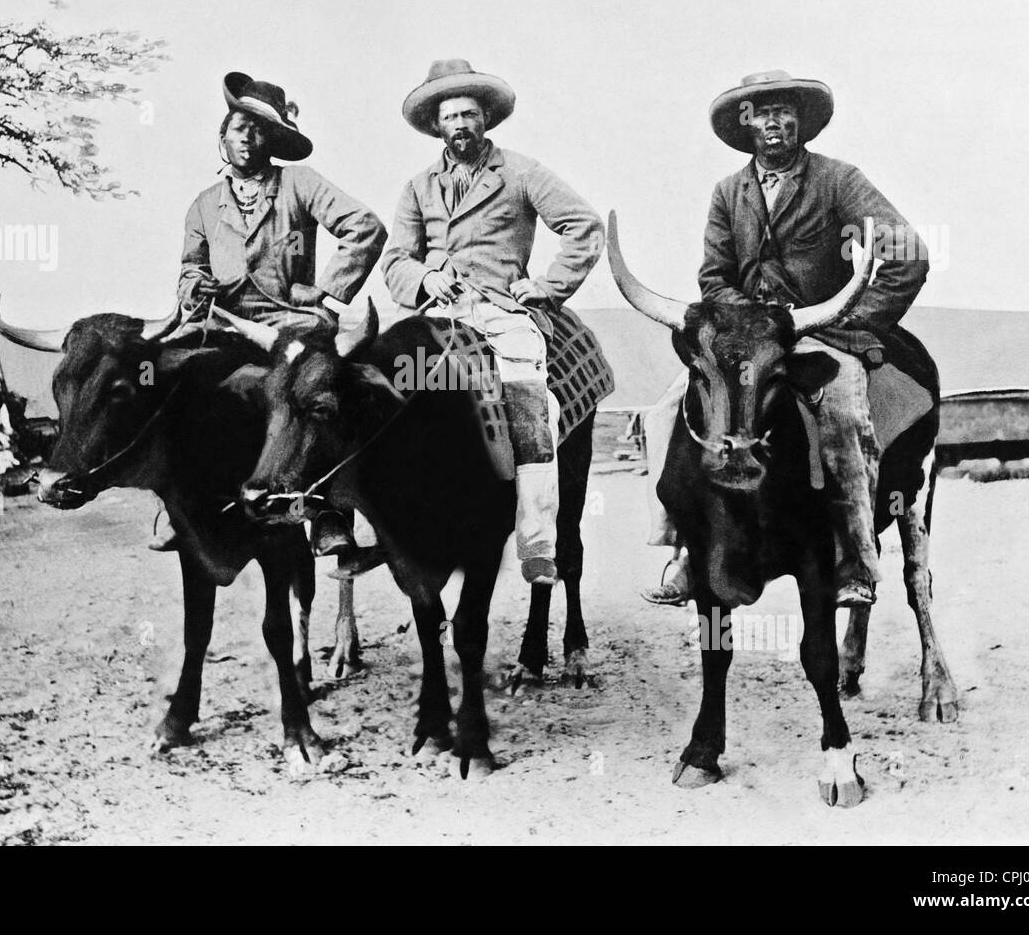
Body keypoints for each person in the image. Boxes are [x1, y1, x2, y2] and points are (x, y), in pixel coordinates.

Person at [643, 69, 929, 609]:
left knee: (844, 418)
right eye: (762, 113)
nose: (774, 122)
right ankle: (683, 546)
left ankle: (854, 560)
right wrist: (751, 326)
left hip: (819, 334)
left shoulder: (839, 180)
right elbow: (714, 279)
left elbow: (909, 253)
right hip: (750, 342)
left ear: (800, 121)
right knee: (665, 413)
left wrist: (856, 321)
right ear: (746, 126)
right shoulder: (728, 192)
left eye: (784, 111)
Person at [381, 59, 603, 584]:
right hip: (437, 312)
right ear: (436, 125)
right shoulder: (418, 187)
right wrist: (423, 278)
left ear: (485, 119)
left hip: (503, 312)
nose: (460, 124)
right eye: (450, 116)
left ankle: (538, 543)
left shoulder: (521, 172)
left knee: (529, 401)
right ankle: (379, 529)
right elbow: (395, 259)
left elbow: (584, 225)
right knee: (378, 388)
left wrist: (547, 286)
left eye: (469, 114)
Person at [152, 71, 387, 557]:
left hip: (291, 326)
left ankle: (326, 513)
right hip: (223, 323)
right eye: (240, 127)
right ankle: (181, 506)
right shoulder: (203, 206)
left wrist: (327, 293)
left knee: (316, 392)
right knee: (166, 377)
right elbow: (189, 269)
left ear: (274, 141)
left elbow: (365, 227)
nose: (248, 137)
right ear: (223, 136)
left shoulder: (299, 183)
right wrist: (194, 287)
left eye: (260, 130)